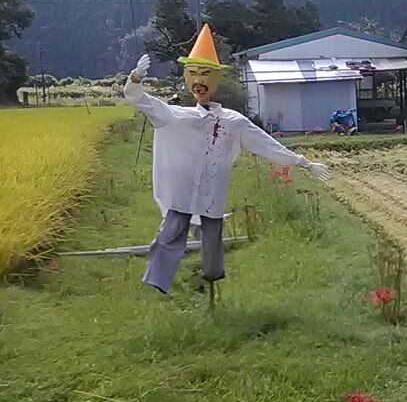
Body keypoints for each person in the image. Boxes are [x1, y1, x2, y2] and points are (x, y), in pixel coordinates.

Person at [123, 24, 331, 294]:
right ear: (187, 76)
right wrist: (136, 78)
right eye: (194, 74)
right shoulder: (172, 115)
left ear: (215, 80)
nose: (199, 81)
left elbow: (265, 143)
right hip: (181, 192)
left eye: (205, 75)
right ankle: (156, 284)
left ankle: (210, 278)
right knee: (170, 234)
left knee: (212, 238)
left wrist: (302, 162)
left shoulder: (233, 121)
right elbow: (137, 99)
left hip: (211, 193)